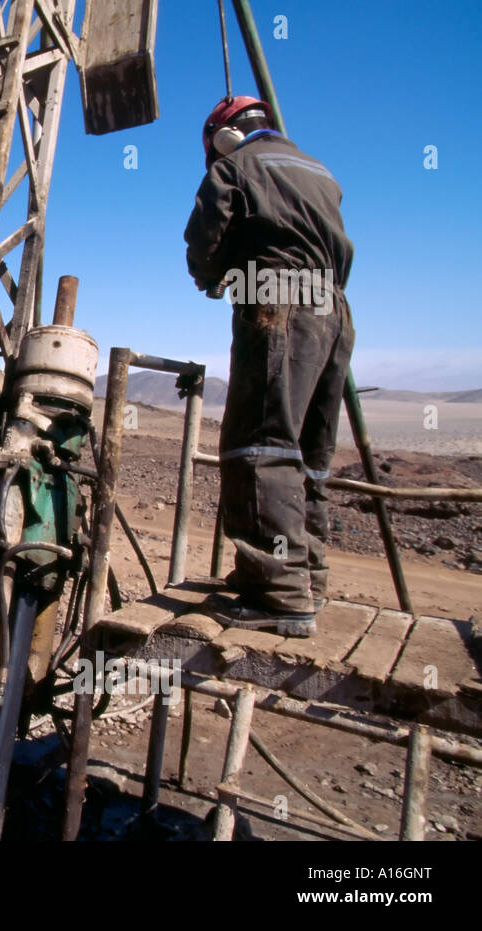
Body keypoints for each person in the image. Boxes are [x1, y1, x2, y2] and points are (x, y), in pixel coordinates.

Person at [184, 96, 355, 638]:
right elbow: (341, 253)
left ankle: (278, 596)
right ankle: (308, 580)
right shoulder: (318, 170)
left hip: (278, 300)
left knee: (260, 444)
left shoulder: (235, 167)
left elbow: (204, 239)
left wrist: (212, 276)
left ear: (225, 137)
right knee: (308, 452)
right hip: (334, 310)